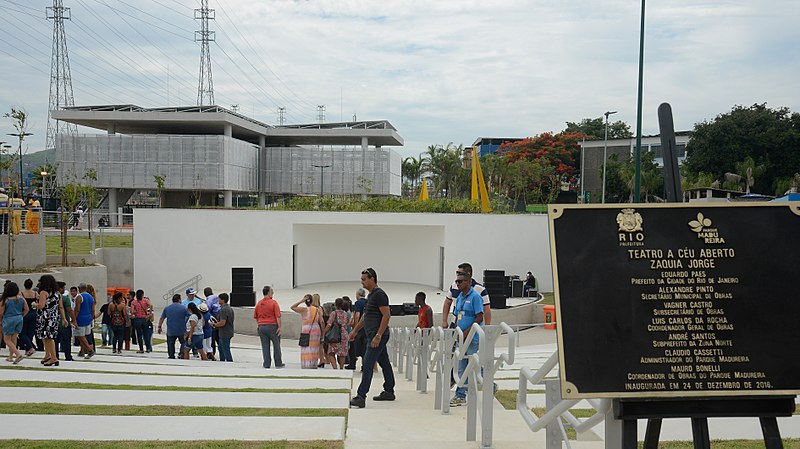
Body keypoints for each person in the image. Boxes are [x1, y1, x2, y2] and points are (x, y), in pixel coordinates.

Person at [349, 267, 395, 408]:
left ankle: (361, 396)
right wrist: (355, 331)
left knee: (367, 365)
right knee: (384, 363)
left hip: (377, 336)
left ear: (372, 279)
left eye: (364, 279)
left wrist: (378, 336)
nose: (362, 282)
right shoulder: (371, 296)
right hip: (372, 335)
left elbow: (386, 315)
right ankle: (389, 390)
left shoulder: (379, 295)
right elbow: (365, 317)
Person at [449, 271, 484, 407]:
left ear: (468, 282)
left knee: (465, 367)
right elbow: (457, 316)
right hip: (462, 338)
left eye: (460, 281)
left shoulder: (475, 297)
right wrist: (457, 333)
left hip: (472, 338)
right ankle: (490, 385)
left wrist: (468, 332)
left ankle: (460, 395)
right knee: (468, 366)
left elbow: (479, 316)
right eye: (456, 281)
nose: (457, 284)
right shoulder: (460, 298)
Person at [441, 263, 491, 327]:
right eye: (457, 273)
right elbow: (447, 303)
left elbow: (486, 310)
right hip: (456, 323)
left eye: (460, 273)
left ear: (468, 275)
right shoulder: (454, 286)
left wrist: (487, 327)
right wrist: (444, 321)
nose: (458, 275)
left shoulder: (480, 289)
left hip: (472, 326)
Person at [35, 275, 62, 366]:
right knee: (47, 337)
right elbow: (59, 306)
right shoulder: (57, 293)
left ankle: (53, 357)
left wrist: (35, 304)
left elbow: (41, 305)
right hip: (53, 317)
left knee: (48, 338)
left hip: (45, 317)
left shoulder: (43, 292)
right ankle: (48, 355)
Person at [253, 286, 283, 368]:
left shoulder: (259, 303)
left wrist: (259, 324)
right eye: (272, 291)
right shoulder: (273, 303)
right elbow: (278, 316)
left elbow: (255, 316)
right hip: (272, 326)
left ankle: (266, 363)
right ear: (268, 292)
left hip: (262, 326)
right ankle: (278, 362)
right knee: (276, 345)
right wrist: (279, 327)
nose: (273, 293)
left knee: (265, 346)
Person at [291, 294, 324, 369]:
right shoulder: (317, 309)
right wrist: (323, 333)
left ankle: (307, 364)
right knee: (314, 348)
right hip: (316, 330)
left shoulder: (304, 310)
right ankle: (313, 363)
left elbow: (292, 307)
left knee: (306, 347)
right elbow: (321, 321)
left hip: (307, 330)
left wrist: (301, 301)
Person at [0, 282, 28, 364]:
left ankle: (18, 354)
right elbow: (27, 309)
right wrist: (21, 316)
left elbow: (1, 313)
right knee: (14, 337)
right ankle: (11, 356)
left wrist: (0, 321)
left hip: (8, 319)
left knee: (7, 339)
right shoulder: (21, 298)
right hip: (19, 318)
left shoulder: (5, 300)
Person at [322, 297, 351, 369]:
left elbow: (329, 324)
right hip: (344, 334)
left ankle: (335, 368)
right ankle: (341, 367)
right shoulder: (345, 313)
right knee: (342, 353)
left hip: (335, 334)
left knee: (331, 352)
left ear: (335, 305)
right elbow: (348, 323)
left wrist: (324, 332)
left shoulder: (333, 313)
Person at [158, 294, 188, 359]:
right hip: (181, 329)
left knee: (170, 344)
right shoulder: (184, 308)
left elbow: (162, 318)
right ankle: (181, 353)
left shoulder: (167, 308)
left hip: (171, 330)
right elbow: (189, 316)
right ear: (179, 299)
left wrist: (159, 326)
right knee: (183, 342)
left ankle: (171, 355)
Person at [344, 288, 367, 370]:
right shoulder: (368, 302)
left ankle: (352, 363)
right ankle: (364, 366)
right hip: (367, 328)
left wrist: (355, 328)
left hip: (360, 329)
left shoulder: (358, 303)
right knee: (365, 349)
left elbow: (357, 315)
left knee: (354, 347)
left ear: (358, 294)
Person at [74, 283, 96, 359]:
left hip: (80, 318)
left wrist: (74, 319)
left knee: (80, 335)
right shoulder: (91, 297)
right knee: (85, 335)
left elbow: (77, 309)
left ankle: (90, 350)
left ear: (79, 289)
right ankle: (82, 351)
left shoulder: (79, 297)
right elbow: (93, 310)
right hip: (88, 318)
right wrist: (92, 318)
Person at [56, 281, 76, 361]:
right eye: (63, 287)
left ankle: (55, 356)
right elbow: (69, 310)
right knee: (67, 340)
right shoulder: (64, 298)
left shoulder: (52, 298)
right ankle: (68, 356)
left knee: (55, 341)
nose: (64, 289)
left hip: (55, 322)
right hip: (64, 322)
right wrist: (74, 320)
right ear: (60, 288)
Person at [213, 293, 235, 362]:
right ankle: (222, 360)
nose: (218, 300)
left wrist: (214, 324)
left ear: (223, 300)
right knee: (221, 348)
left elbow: (223, 322)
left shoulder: (224, 310)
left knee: (225, 349)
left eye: (219, 299)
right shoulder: (229, 308)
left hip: (225, 332)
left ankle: (229, 361)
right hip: (227, 331)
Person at [19, 279, 39, 356]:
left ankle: (30, 347)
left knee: (22, 333)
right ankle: (28, 349)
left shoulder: (22, 294)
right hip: (34, 313)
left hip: (25, 313)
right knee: (30, 332)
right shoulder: (35, 293)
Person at [203, 287, 221, 360]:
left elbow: (207, 312)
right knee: (219, 340)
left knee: (212, 341)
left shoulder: (208, 301)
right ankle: (223, 354)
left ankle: (211, 354)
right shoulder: (217, 297)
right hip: (220, 321)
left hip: (213, 323)